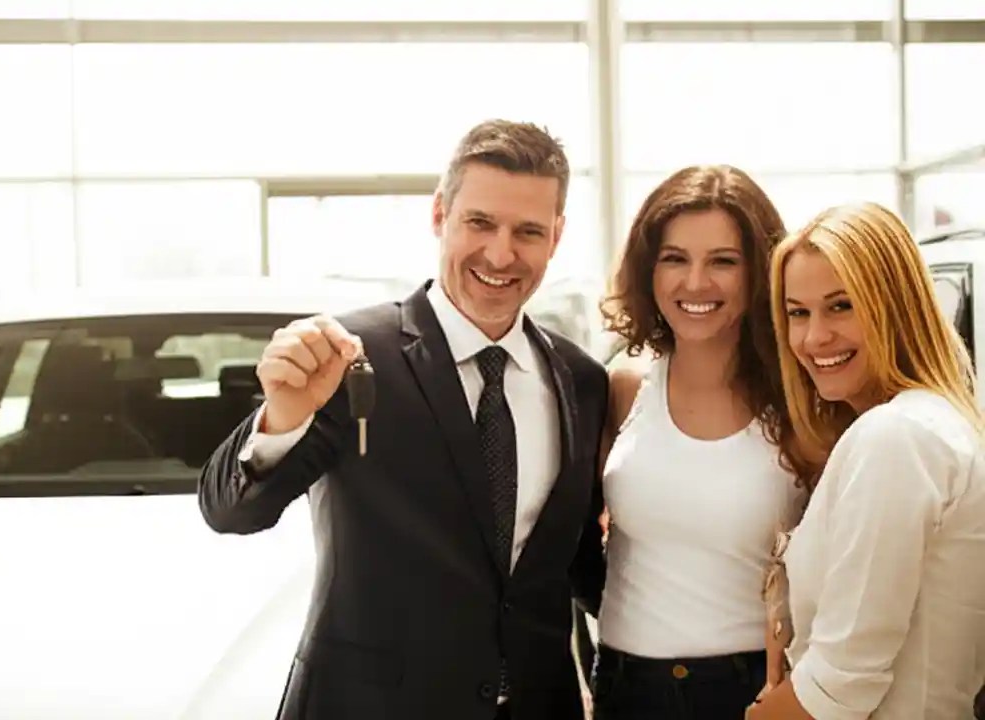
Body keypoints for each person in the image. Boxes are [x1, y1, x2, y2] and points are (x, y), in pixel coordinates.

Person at [197, 119, 608, 720]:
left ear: (557, 236)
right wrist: (282, 415)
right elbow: (232, 511)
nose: (501, 253)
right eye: (480, 223)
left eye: (528, 231)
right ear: (440, 214)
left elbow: (578, 565)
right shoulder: (349, 355)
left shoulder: (581, 379)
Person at [748, 201, 985, 719]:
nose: (814, 338)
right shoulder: (925, 425)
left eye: (841, 306)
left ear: (896, 305)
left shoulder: (897, 436)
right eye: (797, 312)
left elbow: (840, 684)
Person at [591, 165, 808, 719]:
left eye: (723, 262)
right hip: (625, 684)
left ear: (759, 271)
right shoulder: (625, 387)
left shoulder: (799, 401)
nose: (695, 283)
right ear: (648, 268)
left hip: (754, 685)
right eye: (675, 259)